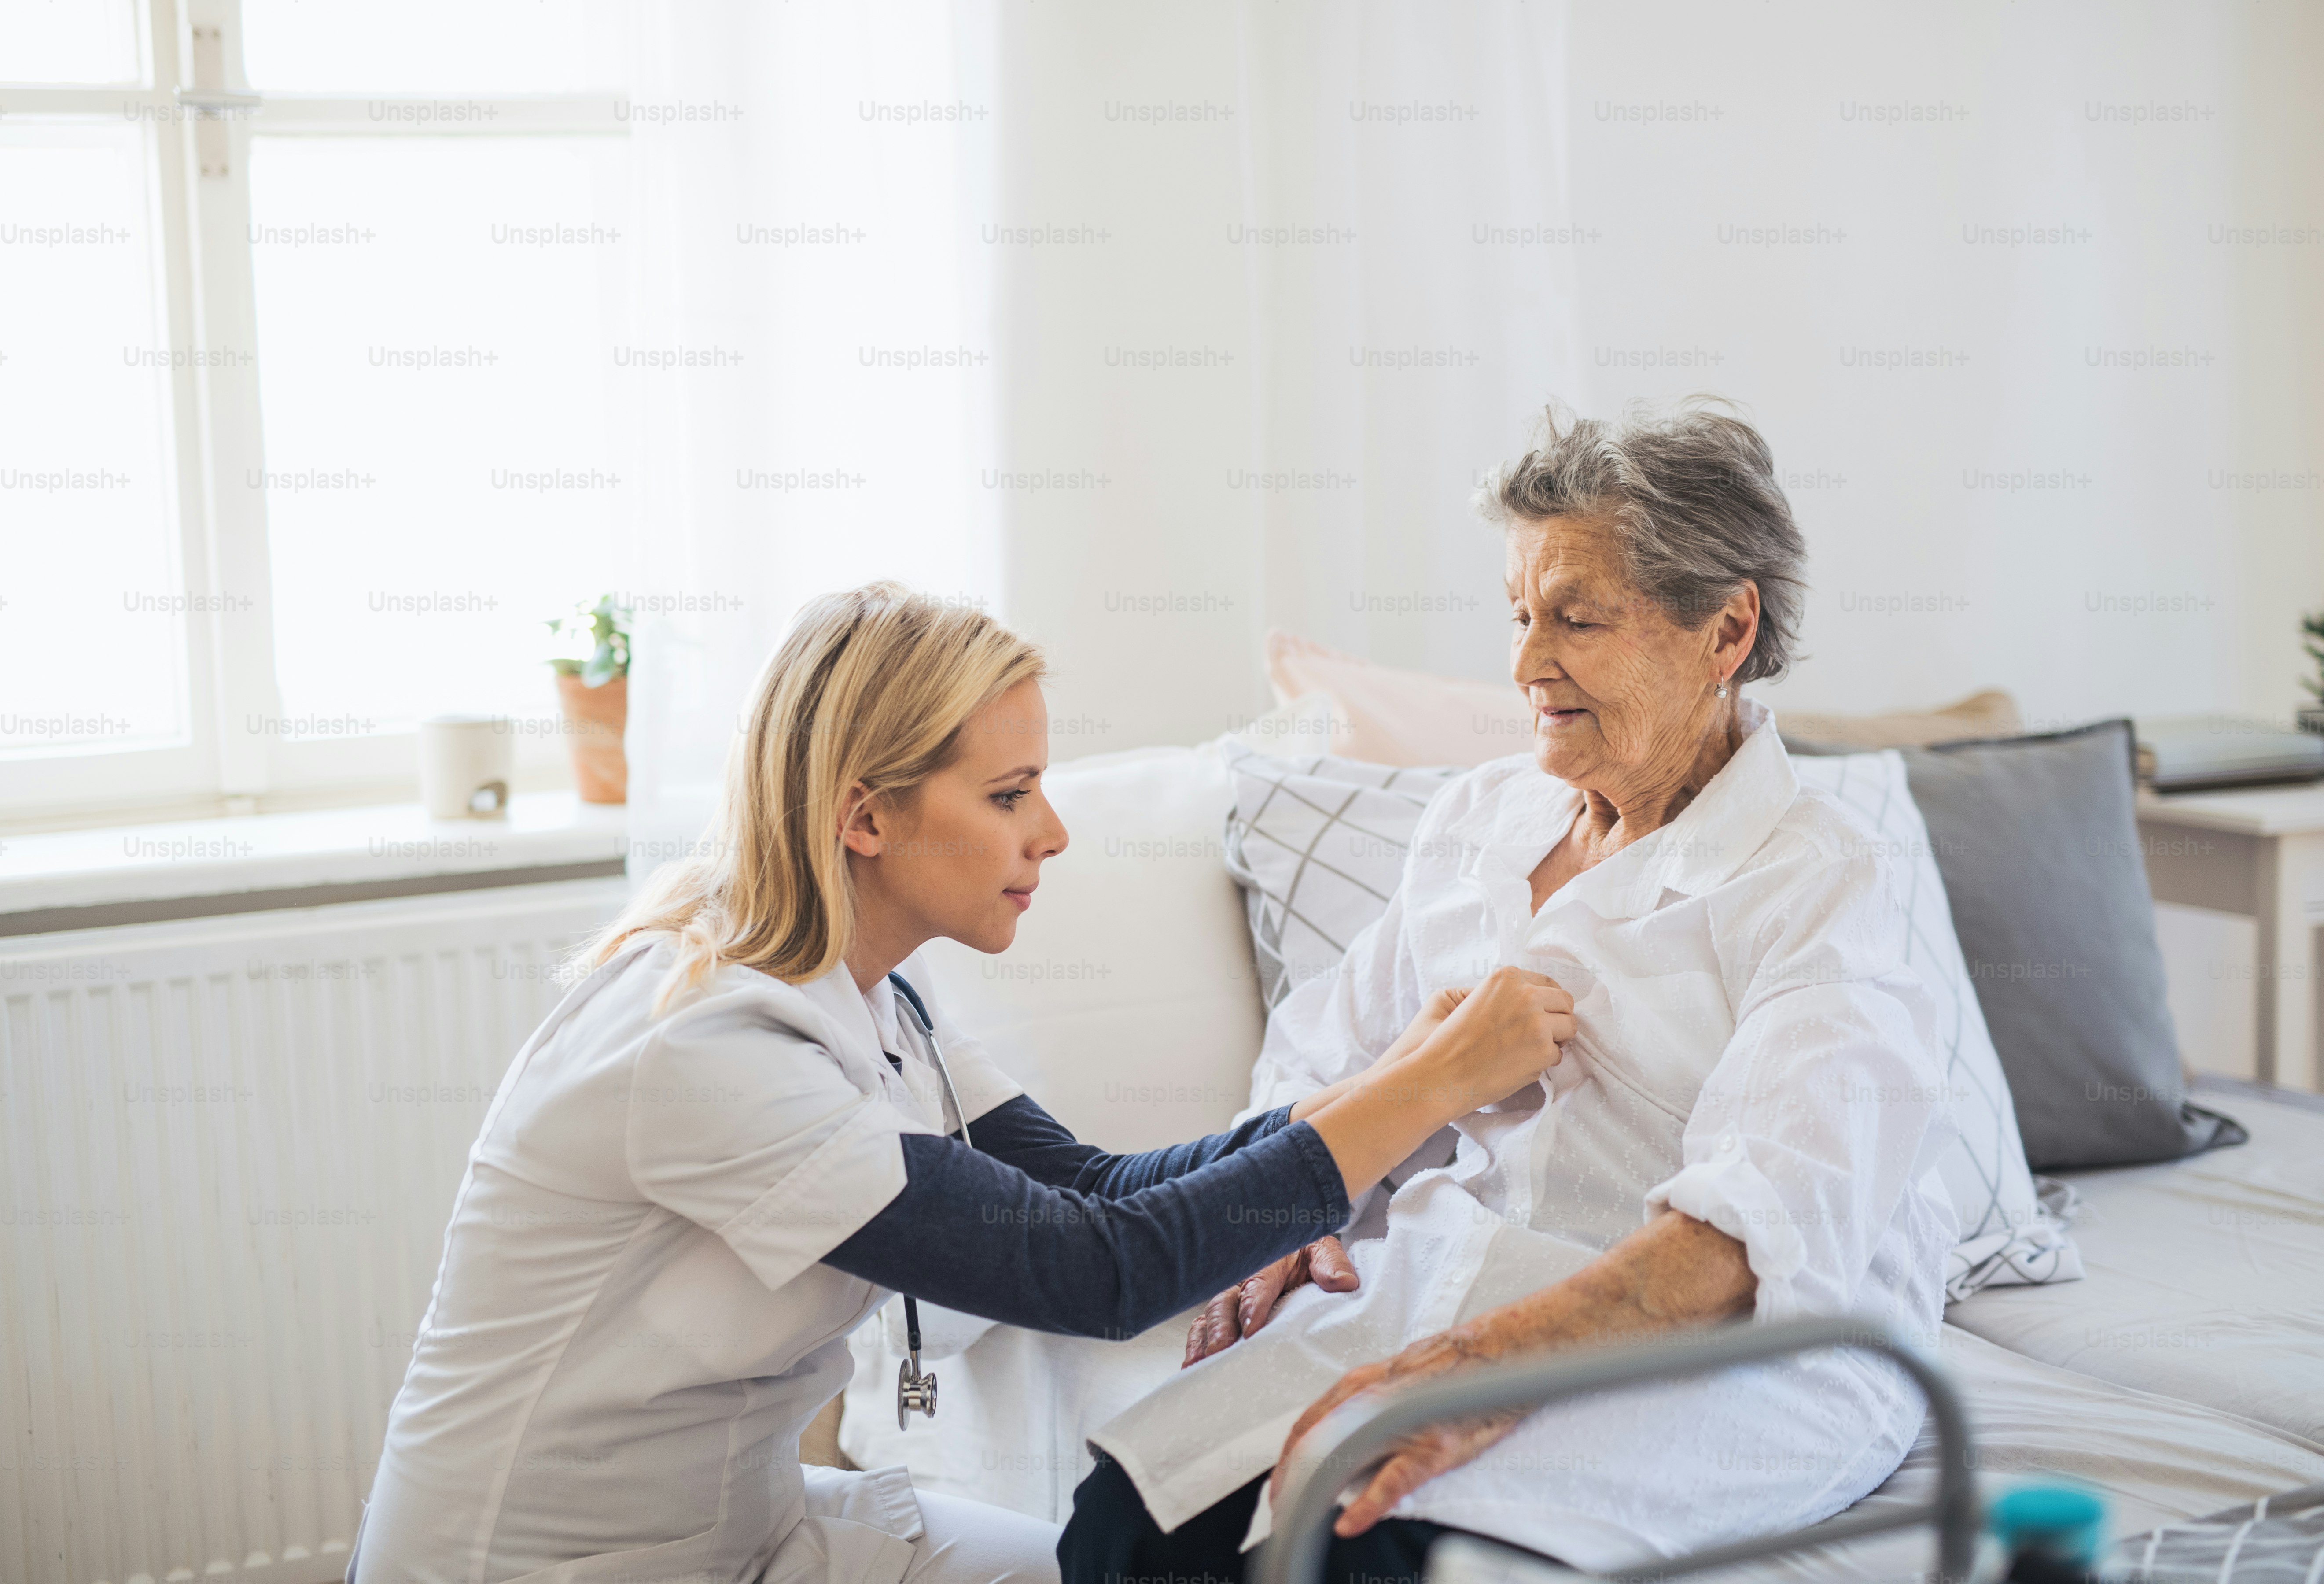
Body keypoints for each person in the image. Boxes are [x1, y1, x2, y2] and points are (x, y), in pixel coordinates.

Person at [346, 583, 1577, 1584]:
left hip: (751, 1533)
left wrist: (1376, 1087)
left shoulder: (870, 994)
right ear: (865, 818)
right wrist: (1420, 1095)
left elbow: (1096, 1189)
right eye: (1007, 796)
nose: (1052, 831)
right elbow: (1096, 1272)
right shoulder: (705, 1053)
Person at [1060, 399, 1960, 1580]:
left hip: (1708, 1348)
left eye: (1578, 620)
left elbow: (1744, 1242)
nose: (1529, 665)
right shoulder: (1481, 820)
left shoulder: (1822, 882)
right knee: (1124, 1527)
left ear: (1726, 631)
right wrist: (1285, 1211)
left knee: (1364, 1552)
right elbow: (1323, 1056)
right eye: (1523, 616)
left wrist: (1474, 1373)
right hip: (1442, 1278)